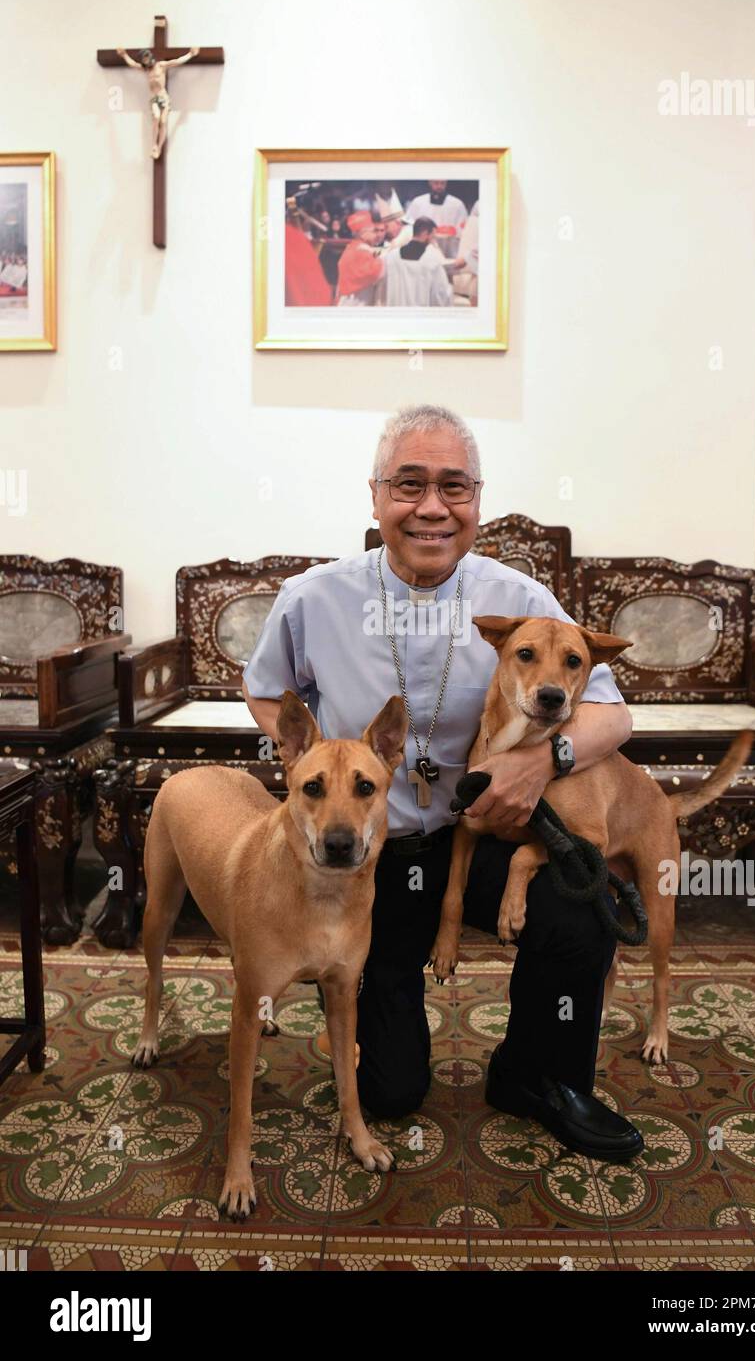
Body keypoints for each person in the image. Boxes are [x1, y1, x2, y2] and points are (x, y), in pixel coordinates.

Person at [242, 404, 644, 1162]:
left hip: (478, 839)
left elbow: (611, 714)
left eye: (453, 487)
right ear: (374, 497)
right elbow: (265, 688)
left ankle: (539, 1076)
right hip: (368, 856)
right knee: (392, 1092)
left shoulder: (517, 599)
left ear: (477, 500)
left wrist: (539, 762)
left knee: (576, 905)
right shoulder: (314, 598)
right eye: (409, 485)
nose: (431, 507)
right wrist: (300, 758)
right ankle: (380, 1041)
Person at [380, 218, 452, 306]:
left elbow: (382, 289)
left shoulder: (391, 257)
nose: (433, 240)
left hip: (395, 314)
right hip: (420, 316)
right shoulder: (431, 259)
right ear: (425, 233)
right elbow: (440, 293)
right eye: (433, 236)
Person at [404, 180, 469, 257]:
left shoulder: (457, 204)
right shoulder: (418, 202)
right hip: (423, 249)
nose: (439, 186)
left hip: (448, 249)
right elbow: (409, 226)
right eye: (436, 183)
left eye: (442, 183)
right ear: (430, 183)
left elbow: (464, 230)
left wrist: (452, 231)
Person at [336, 210, 384, 305]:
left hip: (350, 301)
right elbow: (376, 273)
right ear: (363, 233)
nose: (376, 235)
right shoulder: (363, 250)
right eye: (374, 231)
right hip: (356, 303)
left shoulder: (352, 247)